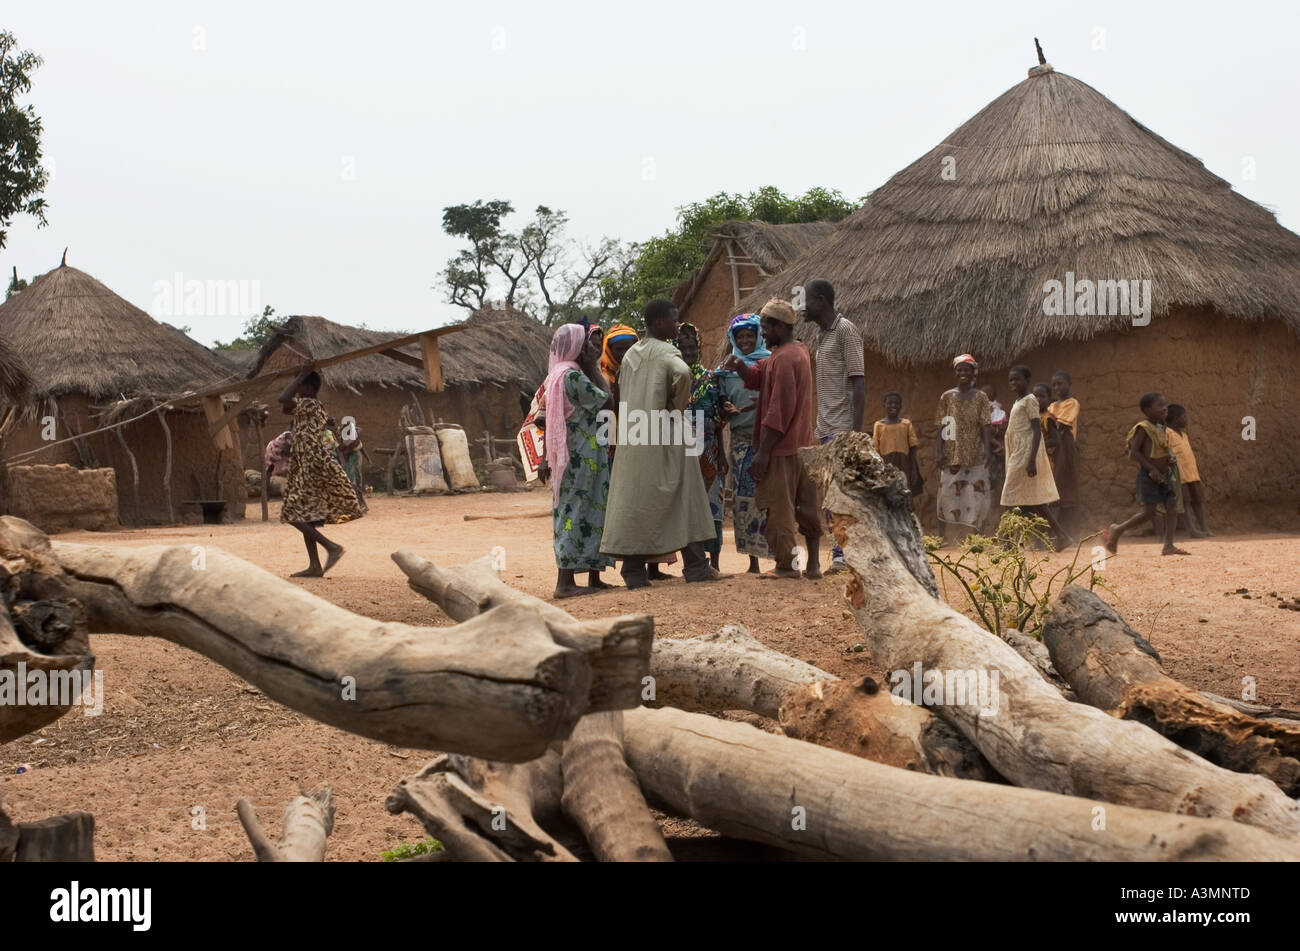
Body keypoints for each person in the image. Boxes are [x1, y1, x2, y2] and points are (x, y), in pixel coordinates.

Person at [599, 299, 726, 588]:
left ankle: (633, 572)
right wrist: (675, 408)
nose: (677, 324)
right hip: (667, 433)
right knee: (687, 493)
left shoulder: (631, 354)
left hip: (635, 434)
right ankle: (695, 566)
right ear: (658, 323)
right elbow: (683, 374)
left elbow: (619, 392)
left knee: (637, 500)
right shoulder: (669, 352)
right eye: (673, 319)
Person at [723, 298, 822, 580]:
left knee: (779, 509)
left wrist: (763, 452)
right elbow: (759, 376)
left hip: (781, 448)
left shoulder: (784, 358)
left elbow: (778, 411)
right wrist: (740, 367)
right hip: (802, 444)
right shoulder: (795, 351)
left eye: (766, 325)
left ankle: (787, 566)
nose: (762, 331)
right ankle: (813, 565)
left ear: (780, 326)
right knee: (806, 506)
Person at [539, 324, 616, 599]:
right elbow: (607, 402)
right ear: (575, 348)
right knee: (575, 513)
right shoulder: (573, 377)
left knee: (587, 511)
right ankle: (565, 582)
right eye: (587, 345)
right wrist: (596, 370)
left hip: (576, 455)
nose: (592, 349)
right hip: (582, 455)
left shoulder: (556, 375)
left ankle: (593, 575)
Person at [804, 278, 864, 574]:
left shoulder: (845, 331)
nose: (803, 306)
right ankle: (842, 552)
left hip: (842, 427)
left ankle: (846, 554)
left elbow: (858, 380)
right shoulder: (821, 335)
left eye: (807, 300)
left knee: (841, 493)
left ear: (820, 300)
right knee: (831, 493)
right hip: (826, 426)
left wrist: (856, 431)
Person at [277, 368, 363, 577]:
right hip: (306, 462)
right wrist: (300, 376)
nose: (295, 388)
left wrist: (300, 374)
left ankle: (331, 547)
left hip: (311, 461)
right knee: (304, 513)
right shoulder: (308, 405)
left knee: (292, 514)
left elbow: (283, 398)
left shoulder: (310, 404)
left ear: (307, 387)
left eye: (299, 384)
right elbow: (285, 408)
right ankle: (315, 566)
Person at [717, 313, 772, 572]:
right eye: (741, 337)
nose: (746, 340)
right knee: (744, 499)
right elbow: (720, 407)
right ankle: (753, 561)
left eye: (751, 335)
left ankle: (777, 556)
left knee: (769, 497)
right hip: (740, 442)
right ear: (734, 339)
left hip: (768, 441)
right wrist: (726, 408)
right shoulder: (726, 370)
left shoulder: (770, 363)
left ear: (759, 336)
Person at [1103, 392, 1191, 556]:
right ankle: (1118, 530)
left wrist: (1170, 457)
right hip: (1149, 476)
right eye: (1160, 406)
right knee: (1148, 512)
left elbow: (1162, 448)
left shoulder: (1162, 427)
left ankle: (1168, 545)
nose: (1165, 408)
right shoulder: (1143, 428)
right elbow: (1134, 453)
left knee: (1171, 505)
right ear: (1147, 410)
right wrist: (1152, 469)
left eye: (1165, 405)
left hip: (1164, 475)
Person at [678, 322, 733, 570]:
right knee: (687, 506)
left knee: (713, 505)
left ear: (698, 348)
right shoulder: (675, 378)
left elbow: (717, 420)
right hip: (681, 451)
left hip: (709, 450)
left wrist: (721, 454)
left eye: (692, 348)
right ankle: (694, 561)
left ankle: (716, 561)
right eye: (683, 348)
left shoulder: (710, 379)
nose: (688, 353)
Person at [1002, 367, 1071, 549]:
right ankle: (1062, 536)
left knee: (1009, 494)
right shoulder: (1019, 401)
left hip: (1025, 453)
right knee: (1036, 500)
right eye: (1011, 380)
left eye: (1017, 380)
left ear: (1027, 380)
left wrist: (1032, 459)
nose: (1013, 383)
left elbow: (1036, 431)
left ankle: (1008, 541)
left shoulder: (1030, 400)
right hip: (1017, 451)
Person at [935, 355, 993, 545]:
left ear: (973, 372)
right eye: (960, 370)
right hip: (953, 452)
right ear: (955, 372)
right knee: (946, 491)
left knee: (977, 493)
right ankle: (942, 536)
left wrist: (987, 448)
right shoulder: (947, 396)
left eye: (967, 369)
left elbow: (985, 424)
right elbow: (942, 425)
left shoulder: (981, 397)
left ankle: (977, 537)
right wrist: (940, 451)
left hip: (975, 452)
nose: (963, 373)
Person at [1165, 403, 1211, 538]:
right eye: (1184, 416)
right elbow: (1165, 449)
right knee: (1185, 502)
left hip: (1192, 473)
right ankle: (1192, 530)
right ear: (1175, 418)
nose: (1187, 419)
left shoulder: (1184, 434)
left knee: (1198, 500)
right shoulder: (1167, 433)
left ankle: (1204, 528)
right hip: (1178, 474)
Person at [1046, 372, 1081, 537]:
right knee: (1054, 491)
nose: (1057, 388)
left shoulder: (1072, 403)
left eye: (1060, 384)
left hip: (1065, 449)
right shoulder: (1051, 406)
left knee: (1067, 490)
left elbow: (1059, 425)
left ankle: (1072, 534)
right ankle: (1056, 534)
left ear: (1069, 384)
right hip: (1052, 451)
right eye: (1054, 385)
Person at [872, 392, 922, 496]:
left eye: (896, 403)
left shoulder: (906, 424)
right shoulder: (878, 425)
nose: (893, 406)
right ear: (884, 405)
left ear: (901, 406)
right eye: (890, 403)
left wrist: (914, 469)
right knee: (888, 493)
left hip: (904, 464)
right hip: (886, 464)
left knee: (905, 491)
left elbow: (912, 448)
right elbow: (875, 449)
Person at [980, 383, 1007, 526]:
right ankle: (980, 528)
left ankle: (1003, 524)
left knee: (1000, 489)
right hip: (983, 456)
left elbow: (1002, 430)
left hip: (998, 458)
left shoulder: (999, 411)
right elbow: (983, 431)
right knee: (982, 493)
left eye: (989, 393)